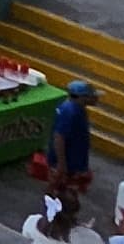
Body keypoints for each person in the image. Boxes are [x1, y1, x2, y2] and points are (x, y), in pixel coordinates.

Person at [39, 81, 96, 209]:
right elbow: (59, 138)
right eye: (90, 96)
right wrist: (61, 164)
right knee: (61, 191)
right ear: (82, 97)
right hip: (66, 163)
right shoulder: (70, 112)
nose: (94, 98)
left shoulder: (77, 109)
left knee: (63, 190)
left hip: (74, 161)